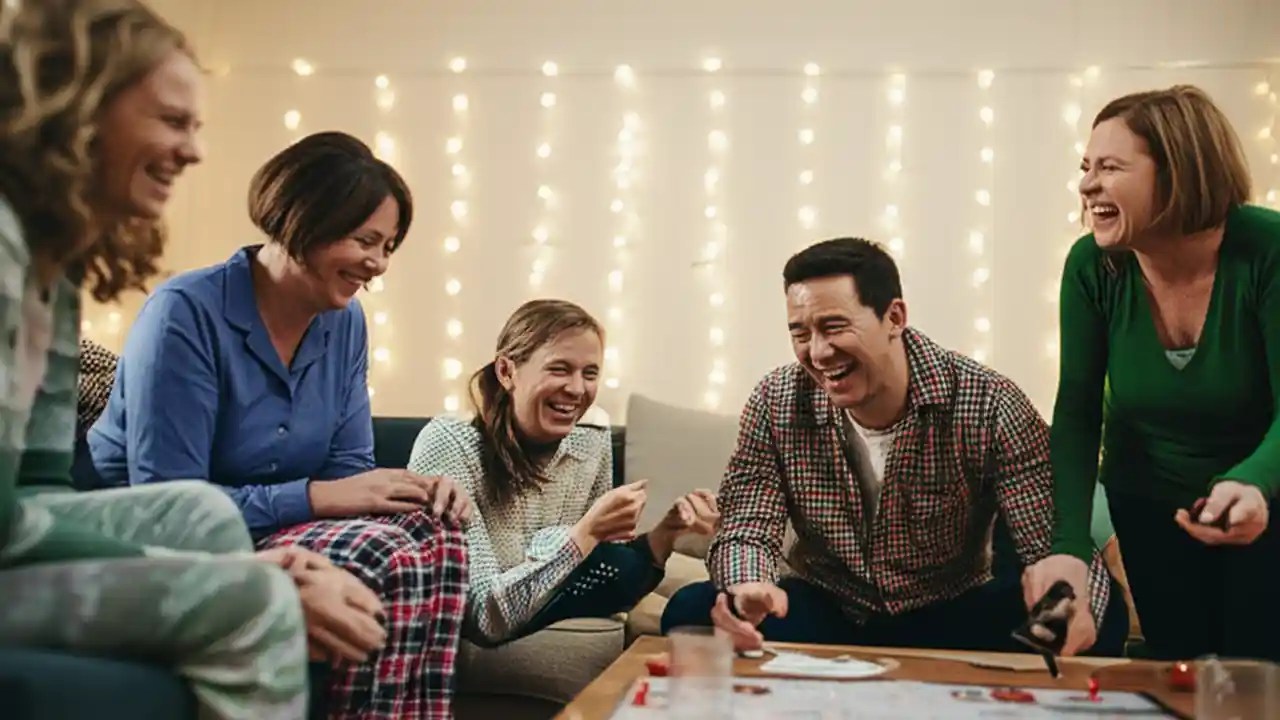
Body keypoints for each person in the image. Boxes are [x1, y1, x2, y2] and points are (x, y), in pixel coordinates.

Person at [0, 1, 386, 718]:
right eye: (173, 121)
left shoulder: (55, 267)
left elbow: (41, 486)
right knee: (258, 603)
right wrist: (249, 576)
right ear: (79, 111)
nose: (195, 151)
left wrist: (235, 557)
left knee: (201, 515)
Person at [83, 128, 470, 719]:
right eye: (366, 240)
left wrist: (413, 493)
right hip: (156, 531)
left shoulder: (346, 322)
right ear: (304, 220)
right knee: (380, 552)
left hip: (267, 523)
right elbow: (171, 503)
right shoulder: (185, 313)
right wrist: (315, 496)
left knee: (435, 532)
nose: (379, 264)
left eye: (388, 246)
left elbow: (349, 470)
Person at [661, 237, 1129, 656]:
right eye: (800, 334)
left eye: (834, 326)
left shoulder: (989, 402)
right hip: (832, 611)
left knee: (1098, 615)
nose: (817, 352)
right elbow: (746, 526)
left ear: (895, 318)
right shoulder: (775, 401)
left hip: (953, 614)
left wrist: (1064, 608)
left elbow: (1048, 542)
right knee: (691, 611)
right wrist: (747, 587)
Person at [1024, 85, 1280, 662]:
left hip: (1266, 497)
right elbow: (1077, 411)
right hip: (1147, 500)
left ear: (1180, 173)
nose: (1087, 185)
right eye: (1086, 168)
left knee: (1259, 670)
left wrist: (1254, 482)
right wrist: (1068, 547)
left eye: (1110, 168)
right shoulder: (1091, 266)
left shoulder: (1268, 250)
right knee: (1178, 669)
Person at [408, 299, 718, 645]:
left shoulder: (591, 434)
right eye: (559, 369)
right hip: (488, 618)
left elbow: (601, 570)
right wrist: (584, 534)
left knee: (641, 574)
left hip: (552, 597)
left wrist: (667, 532)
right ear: (506, 372)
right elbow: (484, 617)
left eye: (590, 373)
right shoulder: (451, 443)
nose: (576, 389)